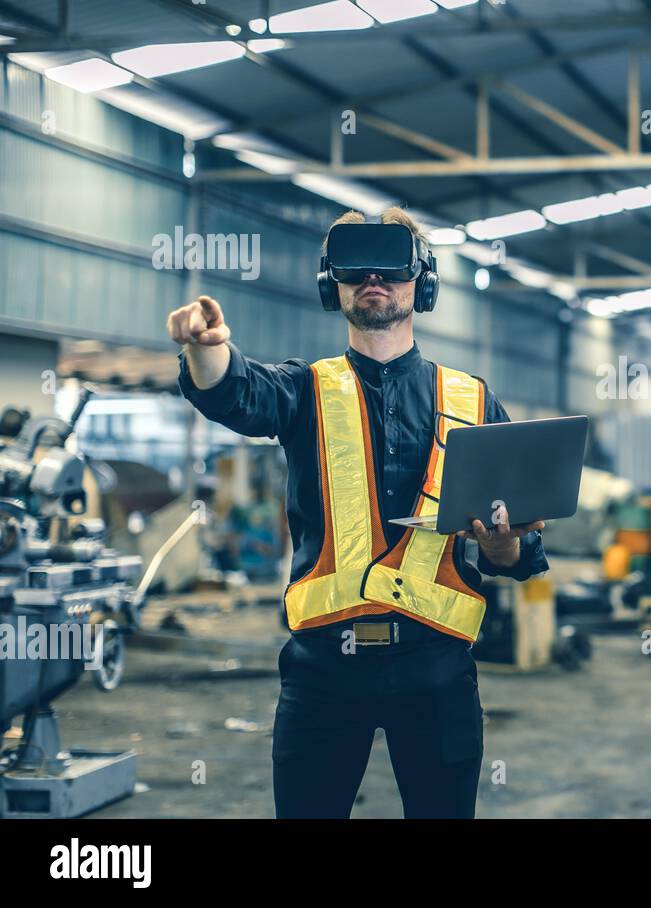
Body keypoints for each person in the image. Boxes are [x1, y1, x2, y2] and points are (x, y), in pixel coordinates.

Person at [168, 206, 547, 818]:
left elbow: (519, 551)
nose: (374, 277)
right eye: (354, 264)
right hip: (323, 672)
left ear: (421, 283)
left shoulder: (474, 400)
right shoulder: (302, 390)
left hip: (437, 668)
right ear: (331, 283)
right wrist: (206, 350)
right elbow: (236, 392)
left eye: (391, 263)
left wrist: (503, 548)